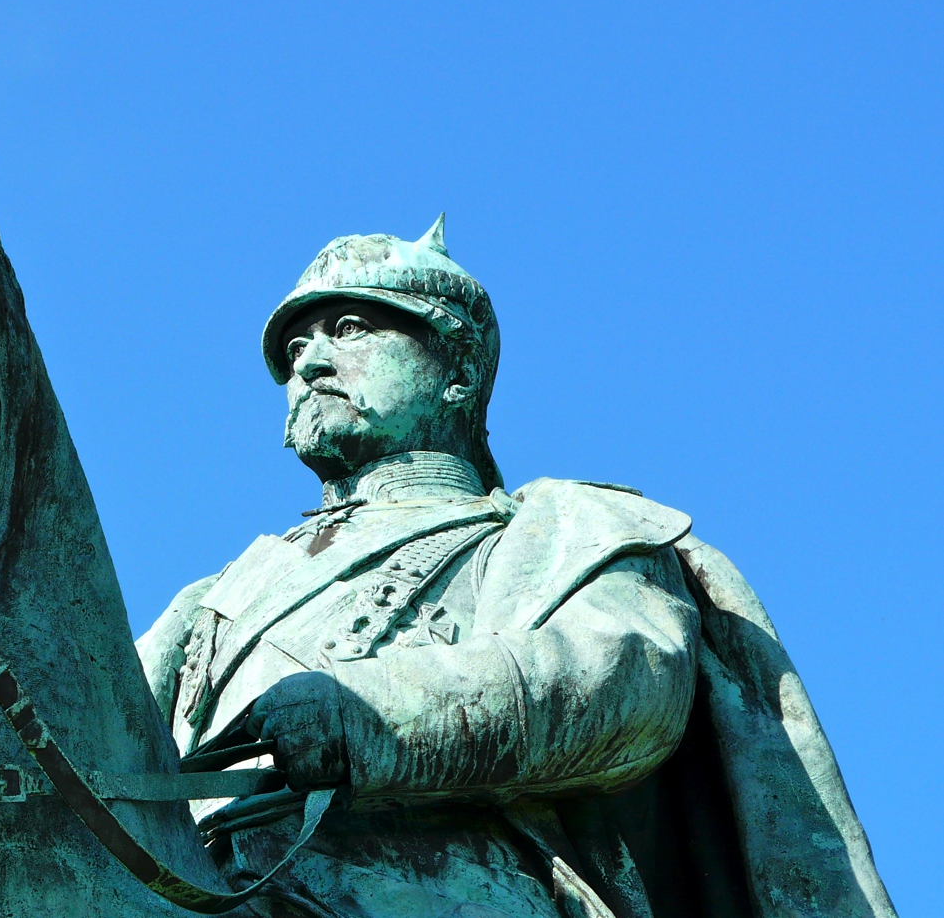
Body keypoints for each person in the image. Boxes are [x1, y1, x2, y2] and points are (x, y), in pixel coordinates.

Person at [137, 217, 896, 918]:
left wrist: (366, 714)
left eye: (349, 328)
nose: (311, 364)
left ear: (458, 367)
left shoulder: (561, 524)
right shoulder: (209, 598)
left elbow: (626, 681)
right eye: (296, 350)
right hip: (209, 885)